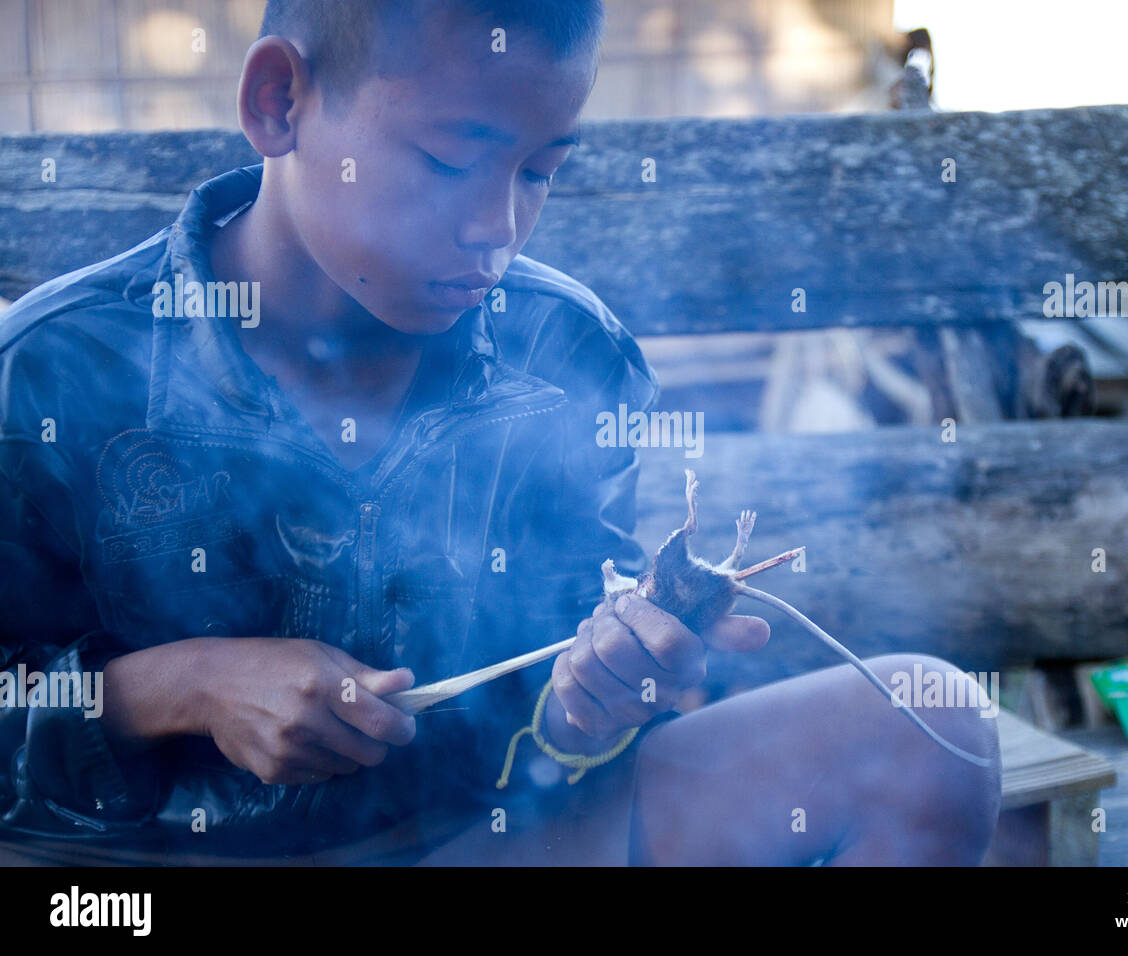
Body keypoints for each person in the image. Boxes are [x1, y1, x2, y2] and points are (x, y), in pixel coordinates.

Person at [0, 0, 1000, 865]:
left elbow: (551, 725)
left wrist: (590, 702)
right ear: (278, 103)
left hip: (467, 844)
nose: (497, 225)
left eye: (539, 170)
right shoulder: (53, 368)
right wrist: (179, 685)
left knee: (922, 713)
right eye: (447, 161)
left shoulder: (565, 356)